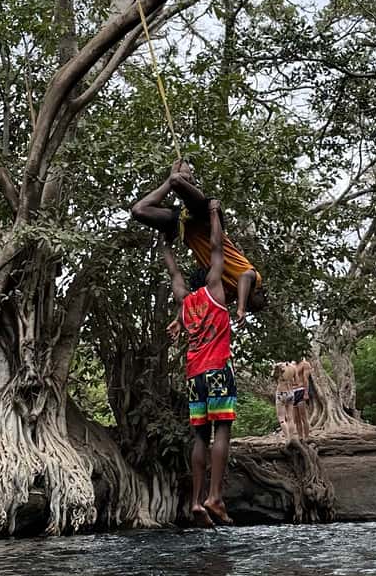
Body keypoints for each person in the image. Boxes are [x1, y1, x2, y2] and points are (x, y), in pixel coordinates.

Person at [162, 198, 236, 527]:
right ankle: (215, 496)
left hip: (194, 375)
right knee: (222, 430)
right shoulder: (215, 291)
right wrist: (214, 214)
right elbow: (217, 246)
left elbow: (173, 269)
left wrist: (166, 241)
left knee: (198, 437)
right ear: (208, 277)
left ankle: (195, 501)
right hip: (217, 370)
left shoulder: (186, 301)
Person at [133, 159, 268, 323]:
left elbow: (190, 301)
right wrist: (240, 308)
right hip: (209, 222)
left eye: (249, 309)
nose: (250, 308)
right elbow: (244, 277)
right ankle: (184, 180)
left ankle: (175, 180)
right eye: (254, 306)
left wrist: (178, 319)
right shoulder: (255, 278)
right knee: (177, 180)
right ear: (258, 293)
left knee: (139, 211)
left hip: (185, 228)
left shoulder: (229, 295)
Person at [290, 359, 313, 440]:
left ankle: (307, 437)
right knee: (296, 418)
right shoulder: (290, 364)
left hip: (301, 390)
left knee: (303, 416)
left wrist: (306, 392)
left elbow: (306, 379)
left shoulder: (305, 364)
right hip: (292, 392)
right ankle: (300, 437)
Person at [273, 362, 296, 440]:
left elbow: (273, 376)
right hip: (291, 393)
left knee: (281, 418)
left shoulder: (278, 366)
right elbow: (296, 381)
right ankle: (292, 437)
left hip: (281, 393)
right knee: (290, 418)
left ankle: (287, 438)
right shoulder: (293, 367)